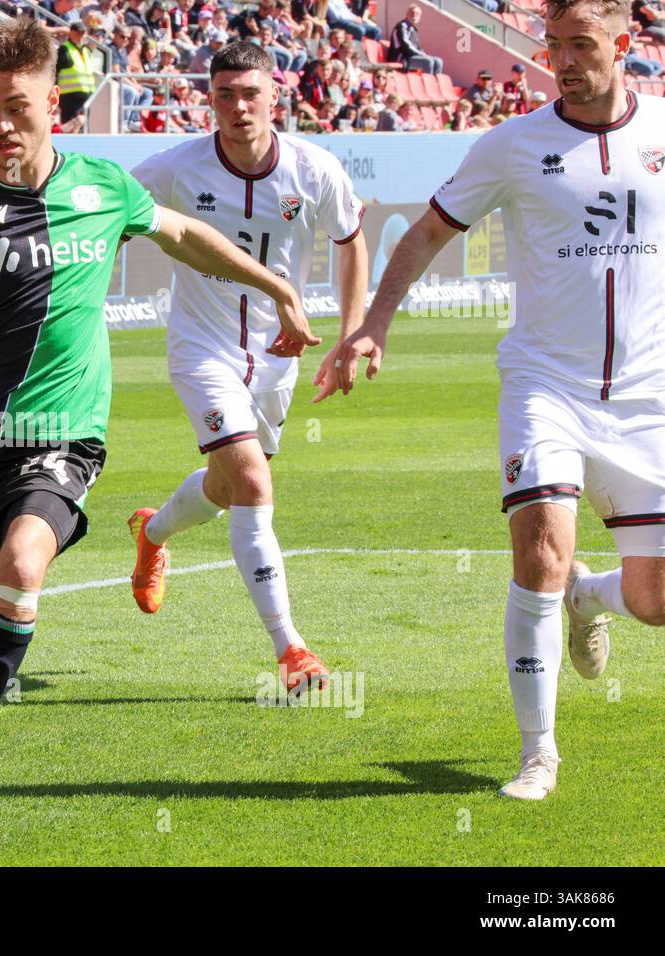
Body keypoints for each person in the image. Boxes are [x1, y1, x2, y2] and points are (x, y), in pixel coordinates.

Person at [0, 17, 313, 838]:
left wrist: (277, 287)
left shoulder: (103, 187)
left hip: (62, 434)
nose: (2, 125)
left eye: (17, 107)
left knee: (23, 565)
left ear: (52, 106)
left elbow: (185, 235)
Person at [339, 0, 665, 802]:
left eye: (581, 44)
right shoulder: (512, 144)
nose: (563, 60)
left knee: (655, 600)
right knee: (540, 552)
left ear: (624, 44)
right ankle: (538, 754)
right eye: (552, 44)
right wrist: (374, 323)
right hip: (544, 385)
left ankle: (591, 596)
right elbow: (426, 233)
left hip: (649, 396)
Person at [126, 40, 366, 694]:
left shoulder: (313, 169)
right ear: (210, 99)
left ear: (275, 96)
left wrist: (351, 334)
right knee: (253, 483)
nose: (238, 107)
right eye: (224, 95)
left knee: (228, 486)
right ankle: (292, 651)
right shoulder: (176, 168)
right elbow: (109, 212)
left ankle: (152, 532)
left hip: (278, 356)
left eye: (250, 93)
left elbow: (350, 240)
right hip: (202, 350)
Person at [389, 4, 443, 75]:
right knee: (428, 61)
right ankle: (427, 81)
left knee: (438, 61)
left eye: (417, 14)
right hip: (401, 57)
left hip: (410, 56)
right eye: (412, 13)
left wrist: (422, 53)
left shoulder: (413, 29)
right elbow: (406, 45)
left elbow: (417, 47)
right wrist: (421, 54)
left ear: (419, 17)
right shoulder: (401, 26)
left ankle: (435, 81)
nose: (414, 15)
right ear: (407, 14)